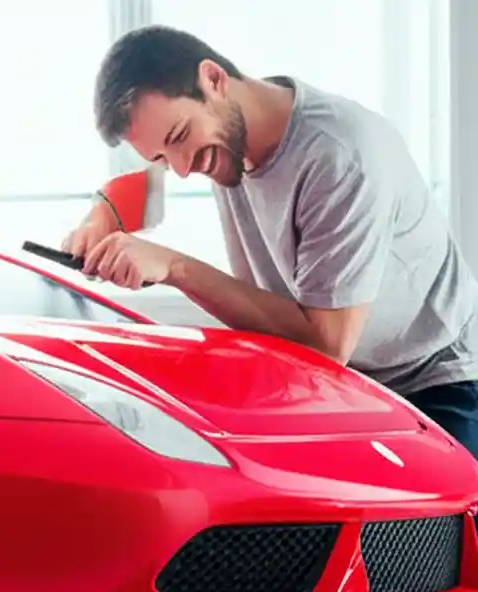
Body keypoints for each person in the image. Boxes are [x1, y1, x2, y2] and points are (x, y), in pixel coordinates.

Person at [61, 24, 478, 456]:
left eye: (179, 137)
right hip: (349, 384)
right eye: (163, 157)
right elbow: (148, 181)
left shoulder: (339, 156)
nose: (182, 169)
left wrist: (175, 268)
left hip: (437, 378)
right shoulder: (222, 135)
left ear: (213, 79)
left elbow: (326, 345)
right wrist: (102, 213)